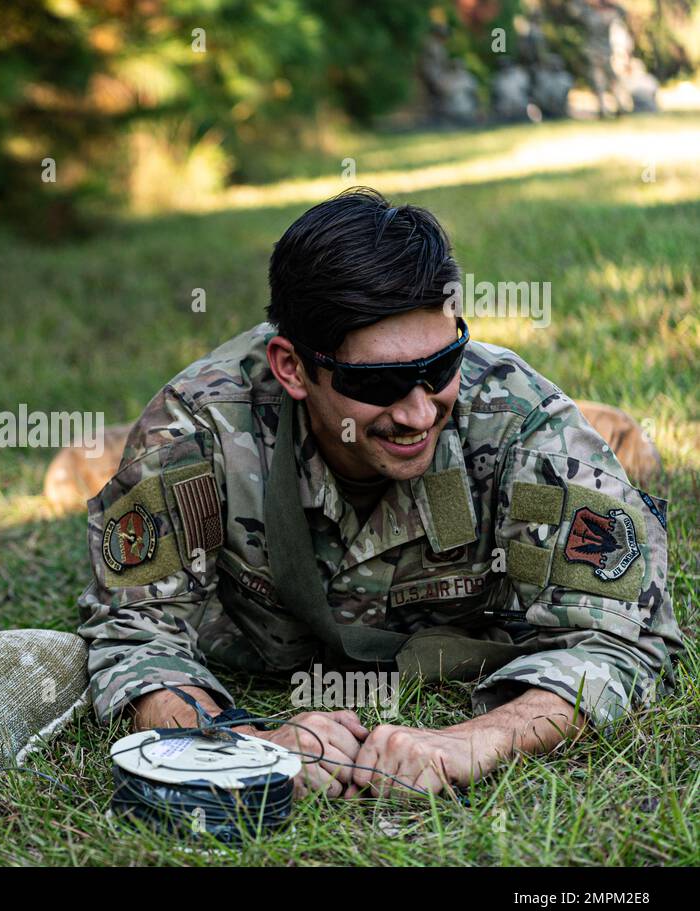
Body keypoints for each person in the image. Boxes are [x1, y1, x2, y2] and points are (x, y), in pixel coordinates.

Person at [76, 187, 684, 799]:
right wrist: (245, 744)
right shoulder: (197, 429)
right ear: (291, 367)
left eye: (442, 365)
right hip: (255, 642)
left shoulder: (521, 421)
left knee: (619, 450)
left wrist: (477, 739)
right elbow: (133, 636)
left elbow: (617, 640)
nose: (419, 412)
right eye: (381, 381)